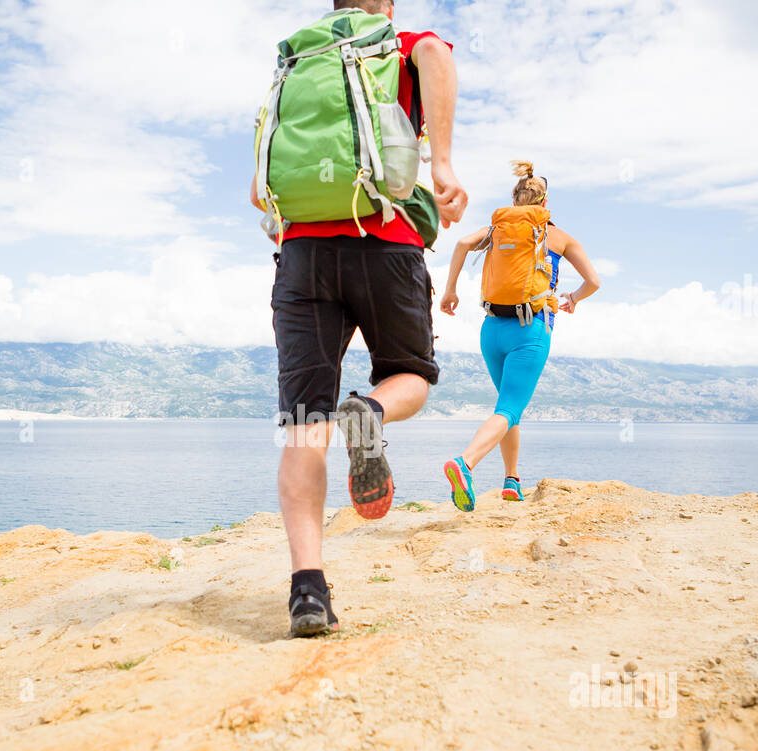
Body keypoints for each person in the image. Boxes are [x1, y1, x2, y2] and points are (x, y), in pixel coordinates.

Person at [251, 0, 467, 637]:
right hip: (386, 241)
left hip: (303, 254)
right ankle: (369, 413)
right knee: (409, 375)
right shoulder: (396, 44)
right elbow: (437, 54)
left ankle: (307, 593)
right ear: (388, 5)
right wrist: (444, 165)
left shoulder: (303, 57)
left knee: (301, 422)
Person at [438, 160, 600, 510]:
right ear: (544, 204)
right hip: (530, 330)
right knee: (509, 409)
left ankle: (511, 480)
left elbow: (463, 243)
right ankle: (465, 464)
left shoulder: (496, 229)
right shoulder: (557, 236)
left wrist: (450, 291)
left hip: (491, 330)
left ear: (515, 199)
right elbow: (594, 282)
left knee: (507, 408)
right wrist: (571, 298)